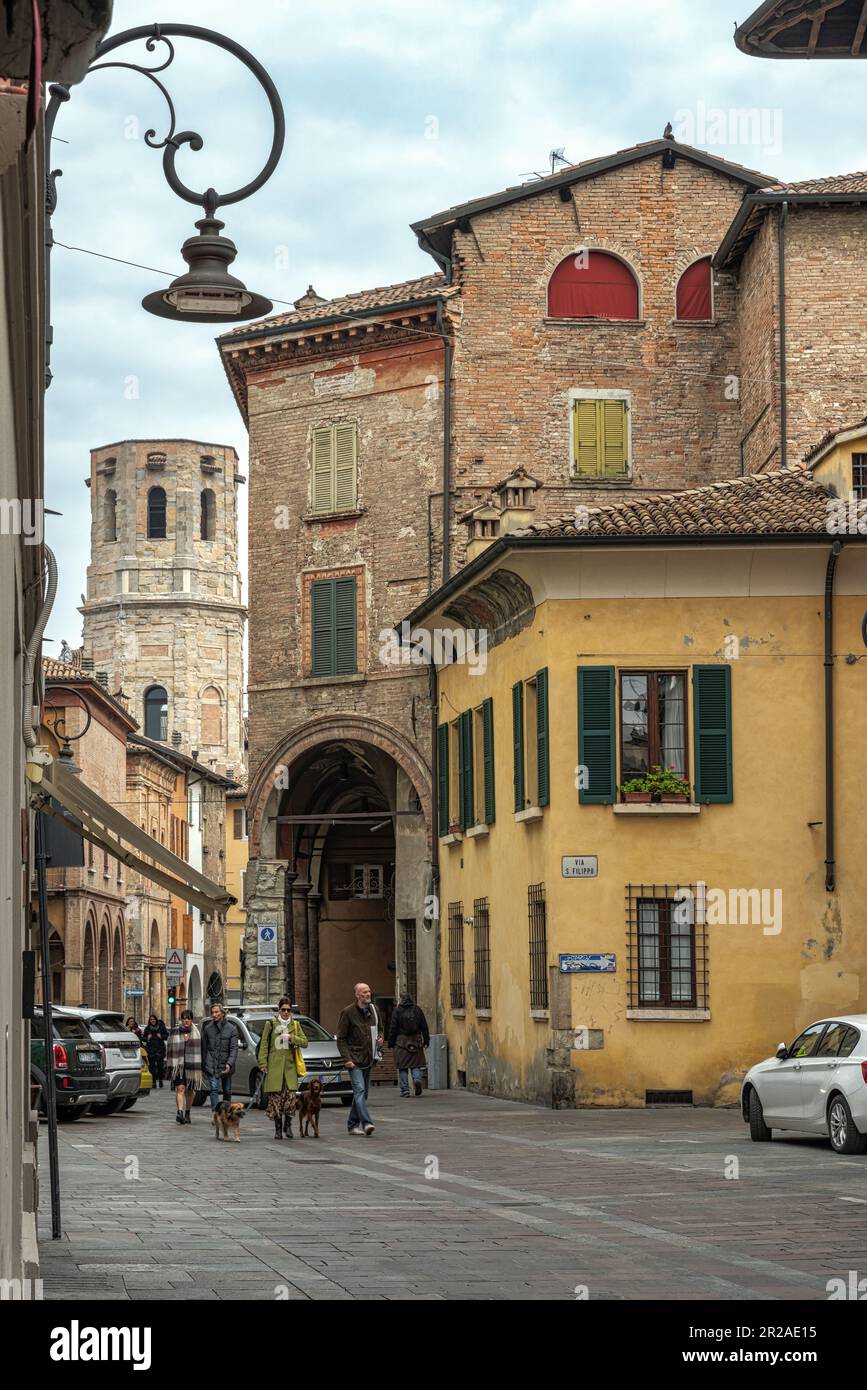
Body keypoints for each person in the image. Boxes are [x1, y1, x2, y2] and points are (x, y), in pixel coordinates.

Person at [257, 997, 308, 1140]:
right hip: (274, 1067)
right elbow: (264, 1044)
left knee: (290, 1099)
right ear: (279, 1010)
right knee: (276, 1100)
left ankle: (288, 1125)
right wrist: (262, 1063)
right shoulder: (271, 1024)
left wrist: (291, 1037)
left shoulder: (295, 1024)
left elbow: (305, 1042)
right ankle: (278, 1129)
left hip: (290, 1068)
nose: (286, 1012)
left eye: (288, 1010)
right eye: (283, 1009)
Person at [336, 982, 382, 1137]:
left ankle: (352, 1124)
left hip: (369, 1058)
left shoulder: (374, 1010)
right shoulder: (347, 1012)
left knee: (363, 1094)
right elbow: (341, 1039)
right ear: (357, 995)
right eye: (364, 992)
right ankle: (367, 1123)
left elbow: (380, 1030)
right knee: (360, 1090)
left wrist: (380, 1038)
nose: (368, 994)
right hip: (354, 1060)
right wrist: (347, 1059)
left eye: (369, 991)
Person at [388, 993, 430, 1098]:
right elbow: (424, 1026)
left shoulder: (397, 1011)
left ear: (401, 1000)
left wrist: (391, 1043)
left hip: (400, 1042)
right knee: (416, 1065)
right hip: (416, 1041)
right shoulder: (417, 1009)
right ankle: (417, 1080)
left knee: (402, 1067)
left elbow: (393, 1028)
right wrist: (426, 1041)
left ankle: (405, 1090)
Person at [201, 1002, 239, 1116]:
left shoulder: (232, 1029)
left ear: (222, 1013)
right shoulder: (207, 1028)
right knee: (214, 1089)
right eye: (212, 1012)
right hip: (211, 1064)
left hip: (226, 1064)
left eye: (216, 1012)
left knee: (227, 1090)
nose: (214, 1014)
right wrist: (203, 1066)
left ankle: (226, 1112)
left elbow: (234, 1048)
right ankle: (216, 1114)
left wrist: (229, 1063)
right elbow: (204, 1048)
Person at [166, 1008, 204, 1123]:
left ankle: (187, 1113)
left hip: (192, 1066)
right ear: (181, 1020)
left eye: (188, 1019)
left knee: (190, 1091)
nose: (186, 1021)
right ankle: (180, 1113)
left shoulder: (197, 1033)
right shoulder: (174, 1031)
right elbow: (169, 1049)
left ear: (191, 1020)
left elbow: (201, 1050)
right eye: (184, 1019)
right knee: (180, 1088)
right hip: (178, 1066)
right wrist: (170, 1064)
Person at [142, 1014, 168, 1089]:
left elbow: (167, 1036)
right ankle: (153, 1082)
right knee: (152, 1067)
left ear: (156, 1020)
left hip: (160, 1050)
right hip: (151, 1050)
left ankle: (160, 1080)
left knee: (160, 1067)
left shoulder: (161, 1027)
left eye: (154, 1019)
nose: (152, 1021)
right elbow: (143, 1038)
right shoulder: (147, 1028)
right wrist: (147, 1038)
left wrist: (161, 1036)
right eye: (151, 1020)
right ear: (149, 1021)